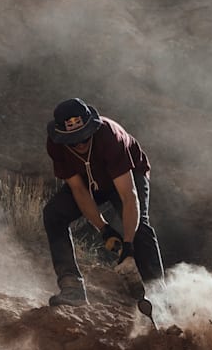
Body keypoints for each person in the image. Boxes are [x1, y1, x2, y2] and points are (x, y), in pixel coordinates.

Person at [42, 98, 165, 306]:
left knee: (140, 227)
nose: (80, 143)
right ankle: (72, 287)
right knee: (53, 214)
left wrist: (128, 245)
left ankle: (159, 297)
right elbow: (79, 190)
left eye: (84, 137)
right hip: (88, 180)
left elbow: (129, 197)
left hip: (127, 175)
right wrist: (104, 229)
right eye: (73, 141)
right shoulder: (55, 145)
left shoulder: (110, 137)